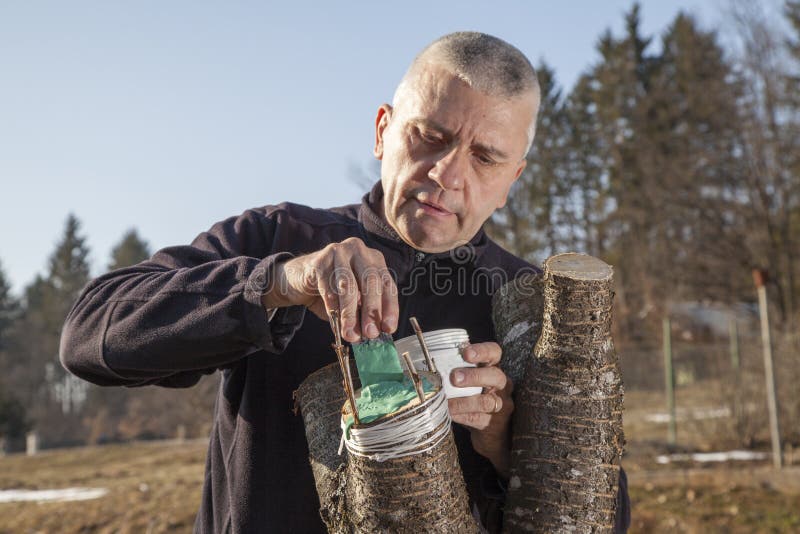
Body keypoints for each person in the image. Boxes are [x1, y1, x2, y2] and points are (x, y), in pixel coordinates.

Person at [60, 32, 629, 533]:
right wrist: (277, 284)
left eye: (485, 158)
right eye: (430, 136)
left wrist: (507, 444)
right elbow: (90, 335)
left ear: (512, 180)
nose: (447, 174)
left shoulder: (536, 306)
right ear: (383, 131)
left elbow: (601, 513)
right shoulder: (277, 237)